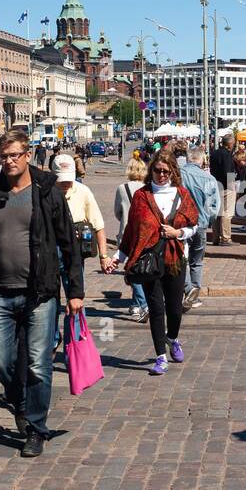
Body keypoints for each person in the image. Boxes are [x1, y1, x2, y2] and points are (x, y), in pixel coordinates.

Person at [0, 128, 84, 458]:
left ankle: (36, 428)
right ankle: (21, 402)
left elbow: (69, 243)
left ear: (28, 155)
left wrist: (74, 291)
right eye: (4, 157)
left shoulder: (46, 191)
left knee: (39, 365)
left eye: (15, 155)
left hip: (40, 292)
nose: (10, 161)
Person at [111, 150, 200, 376]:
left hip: (176, 259)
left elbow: (194, 225)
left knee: (175, 309)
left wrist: (178, 232)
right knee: (156, 309)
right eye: (157, 171)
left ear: (172, 172)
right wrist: (117, 258)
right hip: (149, 260)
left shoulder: (182, 194)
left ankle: (173, 338)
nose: (161, 175)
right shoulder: (142, 196)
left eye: (165, 171)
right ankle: (161, 356)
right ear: (151, 171)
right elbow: (132, 232)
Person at [53, 152, 113, 346]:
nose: (66, 184)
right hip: (50, 251)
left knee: (75, 296)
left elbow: (98, 225)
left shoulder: (83, 191)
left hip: (74, 252)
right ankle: (53, 339)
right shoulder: (45, 193)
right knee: (49, 300)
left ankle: (74, 341)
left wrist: (104, 256)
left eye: (68, 180)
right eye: (61, 180)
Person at [179, 147, 219, 309]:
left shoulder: (177, 175)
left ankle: (187, 288)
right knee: (197, 261)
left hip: (179, 224)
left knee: (179, 259)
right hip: (200, 224)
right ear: (202, 160)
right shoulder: (209, 179)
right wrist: (208, 220)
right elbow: (214, 207)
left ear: (188, 159)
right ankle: (193, 294)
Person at [114, 157, 151, 322]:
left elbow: (117, 212)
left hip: (127, 234)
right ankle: (138, 304)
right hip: (145, 234)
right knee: (142, 269)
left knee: (132, 269)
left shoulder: (122, 188)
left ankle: (140, 304)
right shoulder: (148, 188)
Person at [210, 132, 238, 245]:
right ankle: (226, 238)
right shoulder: (226, 155)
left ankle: (216, 237)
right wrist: (232, 186)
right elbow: (228, 171)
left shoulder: (214, 153)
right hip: (226, 186)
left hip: (216, 185)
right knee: (227, 212)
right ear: (230, 144)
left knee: (217, 213)